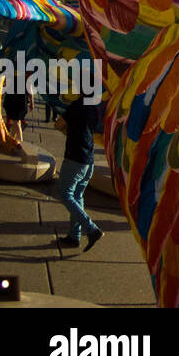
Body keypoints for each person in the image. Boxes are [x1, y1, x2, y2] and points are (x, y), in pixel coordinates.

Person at [54, 95, 104, 252]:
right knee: (77, 196)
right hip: (88, 160)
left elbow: (58, 124)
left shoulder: (78, 105)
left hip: (75, 158)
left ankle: (92, 229)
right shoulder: (94, 107)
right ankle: (74, 236)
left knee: (65, 194)